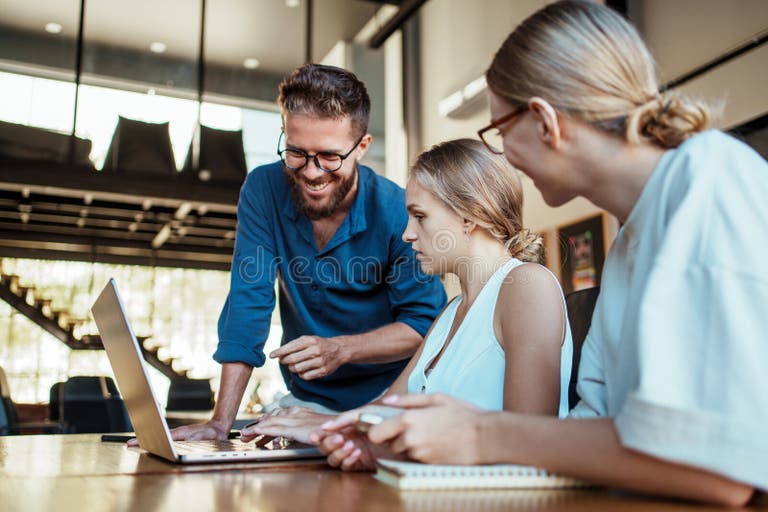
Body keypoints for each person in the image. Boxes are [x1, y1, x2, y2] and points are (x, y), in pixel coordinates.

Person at [318, 1, 768, 506]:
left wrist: (480, 434)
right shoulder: (629, 245)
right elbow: (591, 428)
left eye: (500, 131)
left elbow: (718, 470)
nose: (503, 153)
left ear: (545, 120)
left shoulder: (709, 183)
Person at [162, 63, 446, 442]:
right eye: (296, 152)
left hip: (391, 398)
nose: (311, 173)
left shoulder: (396, 210)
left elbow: (424, 326)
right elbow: (249, 302)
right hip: (310, 400)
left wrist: (341, 350)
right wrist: (220, 422)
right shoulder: (263, 189)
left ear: (361, 147)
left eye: (330, 157)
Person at [250, 138, 573, 470]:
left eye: (420, 216)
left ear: (469, 216)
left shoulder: (526, 286)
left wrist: (334, 430)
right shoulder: (449, 313)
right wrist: (321, 423)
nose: (407, 234)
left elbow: (528, 442)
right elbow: (387, 408)